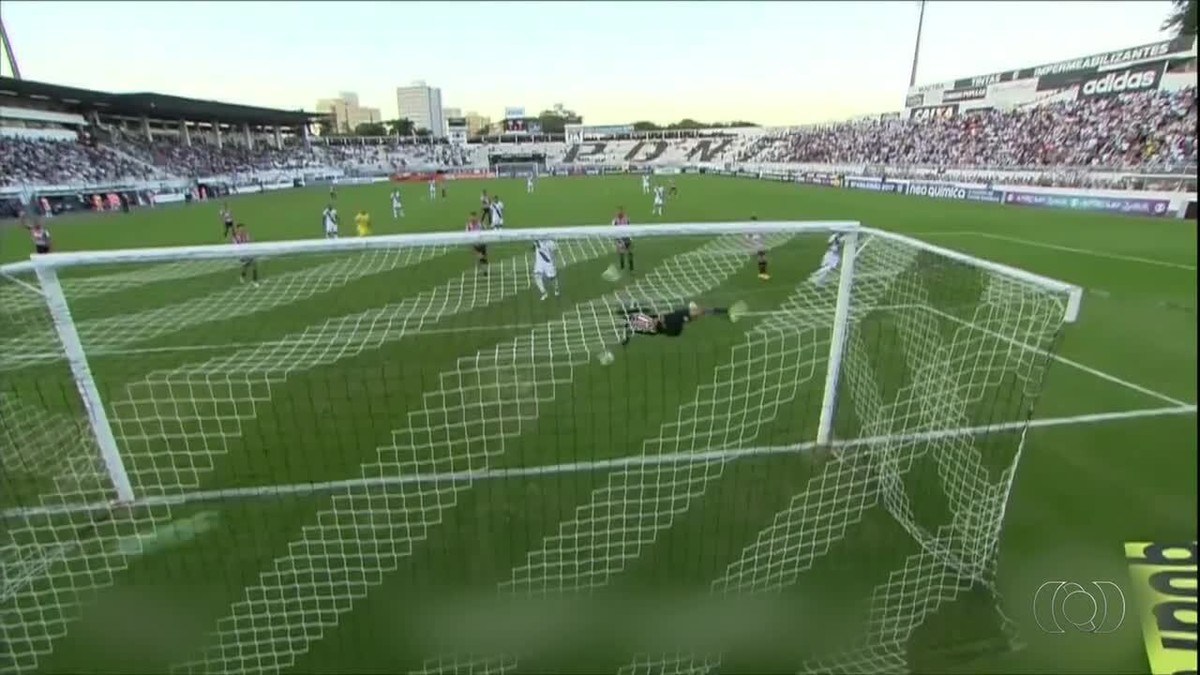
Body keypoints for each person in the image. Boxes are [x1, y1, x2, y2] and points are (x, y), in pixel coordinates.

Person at [617, 300, 745, 345]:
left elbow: (648, 317)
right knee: (697, 311)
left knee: (697, 312)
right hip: (670, 325)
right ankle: (725, 312)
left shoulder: (634, 322)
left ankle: (725, 312)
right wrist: (658, 320)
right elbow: (653, 326)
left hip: (671, 325)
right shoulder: (636, 323)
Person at [231, 222, 260, 287]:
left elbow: (248, 243)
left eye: (243, 229)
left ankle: (251, 280)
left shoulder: (246, 235)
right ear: (237, 229)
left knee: (252, 264)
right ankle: (249, 279)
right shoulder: (235, 238)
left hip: (247, 253)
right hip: (241, 254)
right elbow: (235, 246)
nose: (242, 230)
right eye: (241, 229)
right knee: (249, 265)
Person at [466, 211, 487, 276]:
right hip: (475, 244)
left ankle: (483, 268)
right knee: (480, 257)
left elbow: (485, 230)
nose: (473, 219)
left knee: (484, 258)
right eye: (471, 218)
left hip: (482, 243)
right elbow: (467, 235)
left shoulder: (480, 224)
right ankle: (483, 270)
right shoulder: (469, 226)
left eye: (474, 217)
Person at [748, 215, 769, 280]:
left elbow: (748, 237)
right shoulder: (755, 227)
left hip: (758, 244)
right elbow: (763, 236)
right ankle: (762, 274)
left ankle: (762, 273)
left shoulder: (749, 227)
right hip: (757, 244)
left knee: (762, 259)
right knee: (762, 259)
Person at [612, 206, 633, 272]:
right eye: (618, 212)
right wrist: (616, 240)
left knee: (629, 252)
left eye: (621, 211)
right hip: (619, 238)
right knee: (621, 253)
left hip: (626, 238)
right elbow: (613, 230)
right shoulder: (615, 221)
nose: (619, 213)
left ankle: (631, 267)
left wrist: (630, 237)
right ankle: (622, 266)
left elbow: (630, 228)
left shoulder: (626, 219)